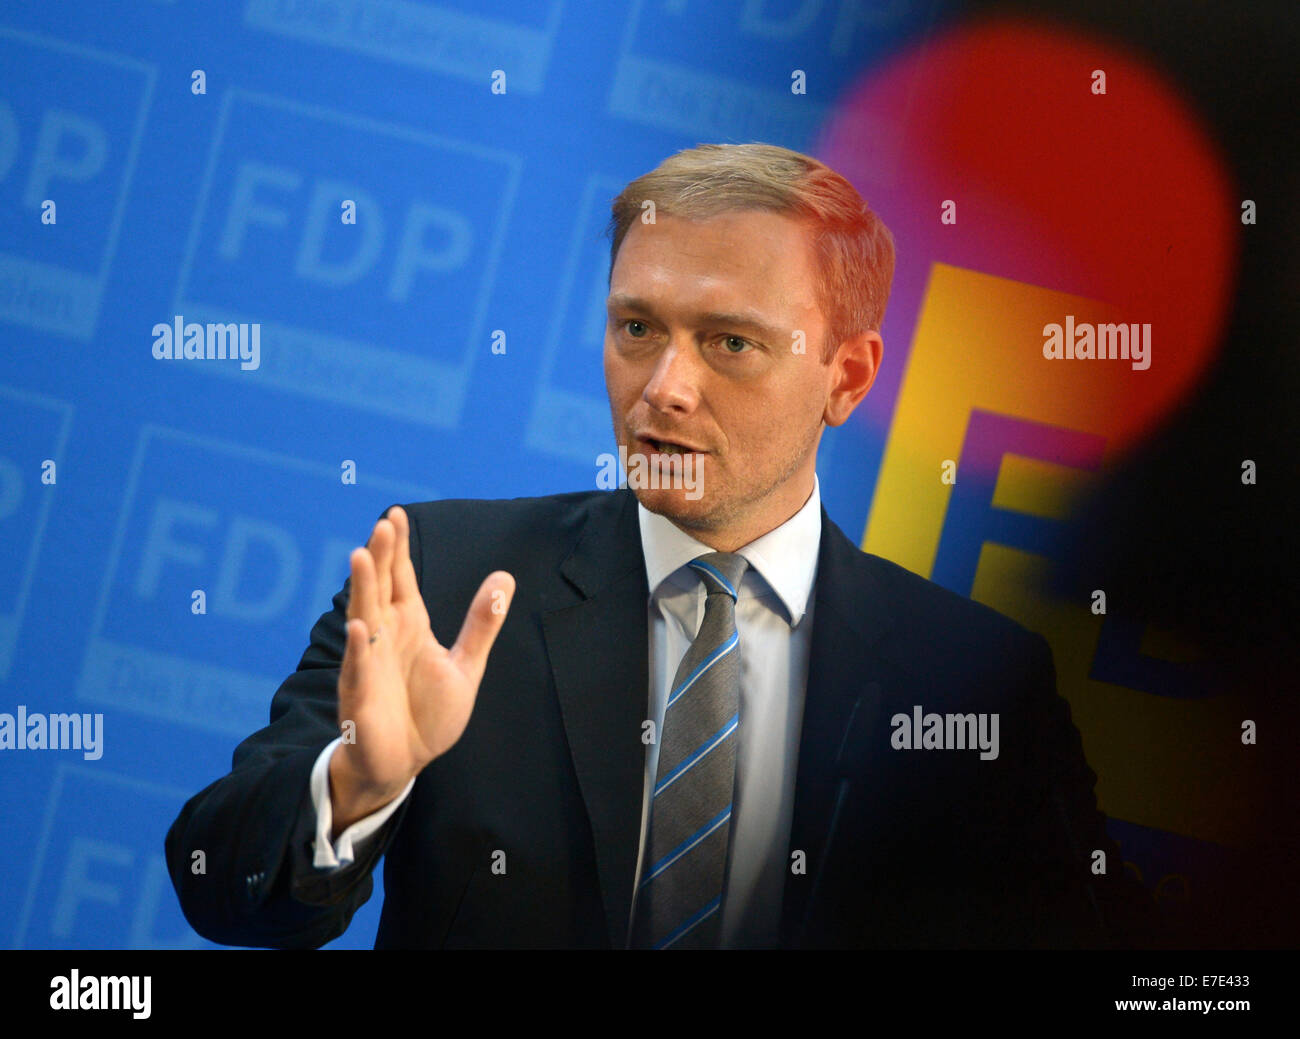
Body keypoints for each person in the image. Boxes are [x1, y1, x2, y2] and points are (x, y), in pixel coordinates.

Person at [165, 142, 1156, 949]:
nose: (663, 389)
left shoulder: (975, 680)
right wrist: (356, 785)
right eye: (637, 326)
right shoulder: (446, 577)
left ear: (847, 380)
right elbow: (220, 882)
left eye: (730, 341)